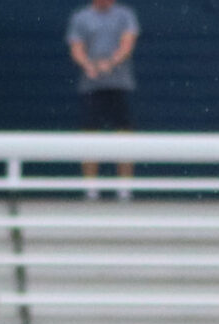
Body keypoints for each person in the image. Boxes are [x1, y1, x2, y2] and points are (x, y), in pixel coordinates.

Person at [67, 0, 140, 199]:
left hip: (120, 85)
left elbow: (127, 43)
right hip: (91, 87)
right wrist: (88, 65)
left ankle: (124, 187)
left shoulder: (125, 15)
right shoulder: (81, 18)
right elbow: (76, 47)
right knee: (89, 135)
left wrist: (111, 62)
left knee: (124, 135)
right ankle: (91, 187)